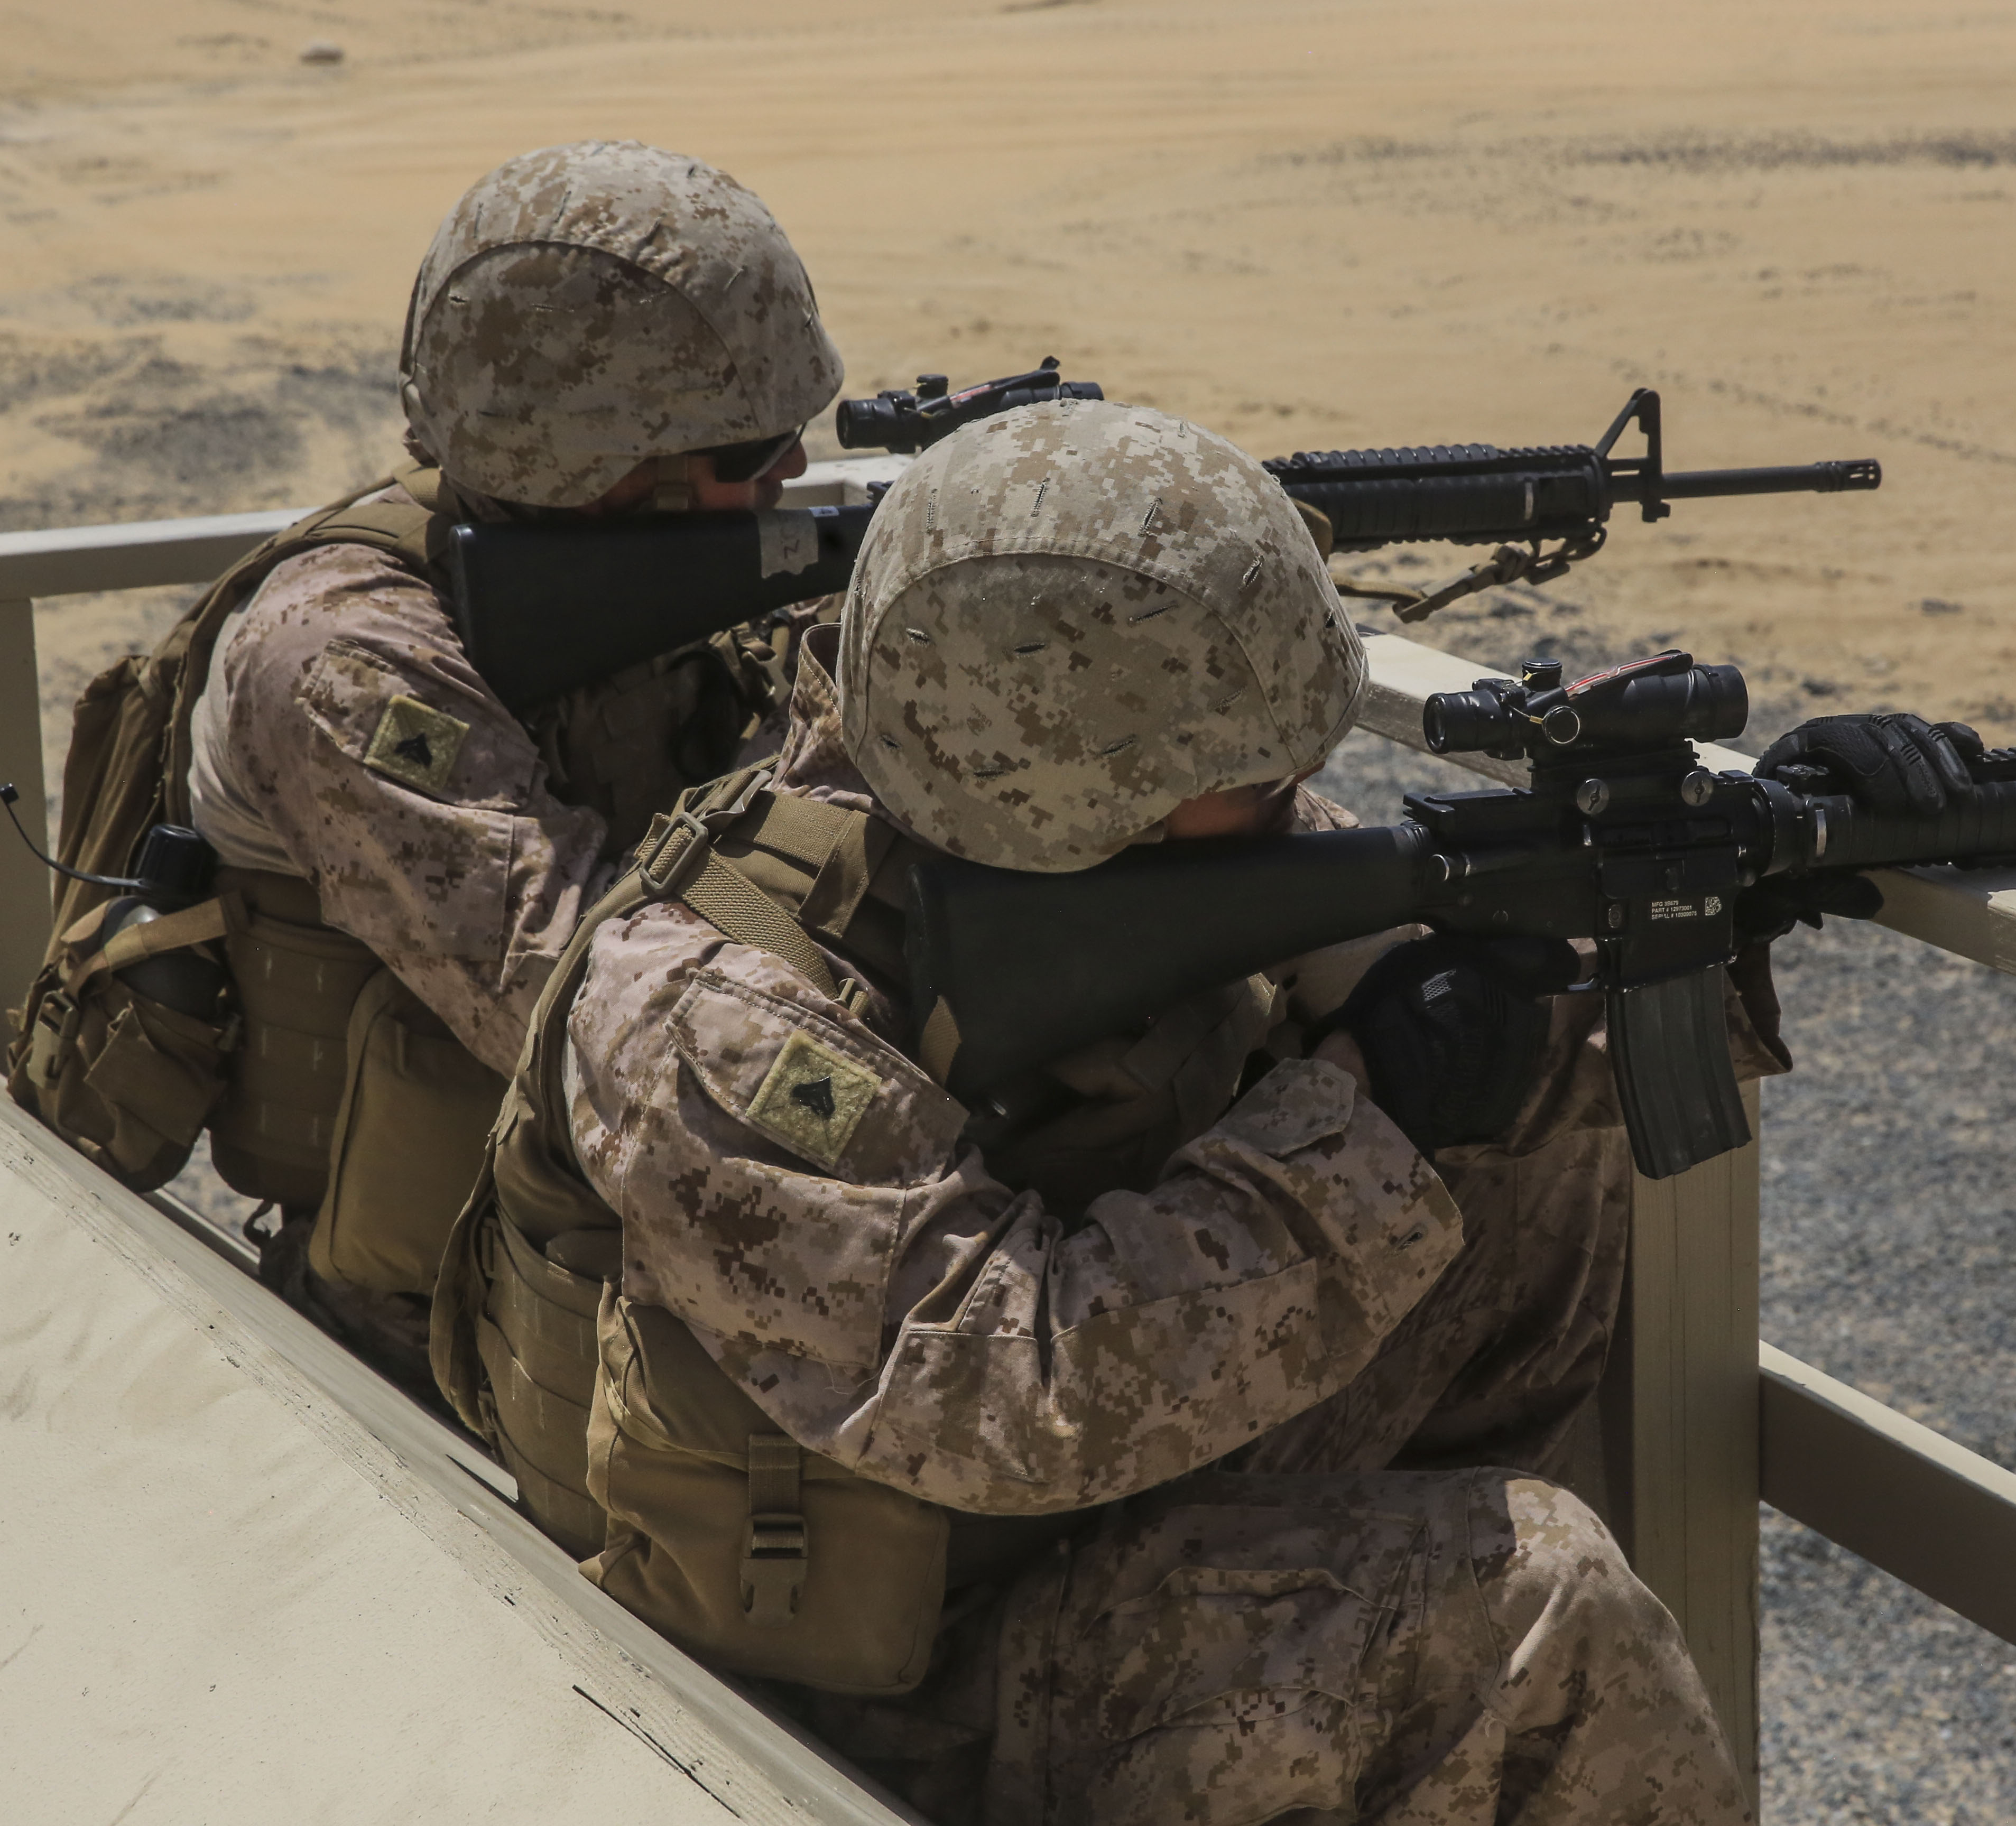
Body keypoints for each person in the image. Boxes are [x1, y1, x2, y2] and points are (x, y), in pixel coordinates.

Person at [436, 394, 1841, 1823]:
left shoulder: (1064, 832)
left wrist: (1743, 884)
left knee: (1530, 1167)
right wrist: (1368, 1108)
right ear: (1076, 794)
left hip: (1052, 1536)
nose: (1296, 797)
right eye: (1250, 777)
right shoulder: (716, 1012)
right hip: (876, 1682)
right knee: (1540, 1599)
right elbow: (1004, 1397)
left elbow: (1481, 1019)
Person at [8, 139, 842, 1384]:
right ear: (598, 468)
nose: (797, 475)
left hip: (614, 1239)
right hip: (448, 1325)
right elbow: (581, 1011)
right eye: (751, 451)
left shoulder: (648, 577)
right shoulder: (338, 660)